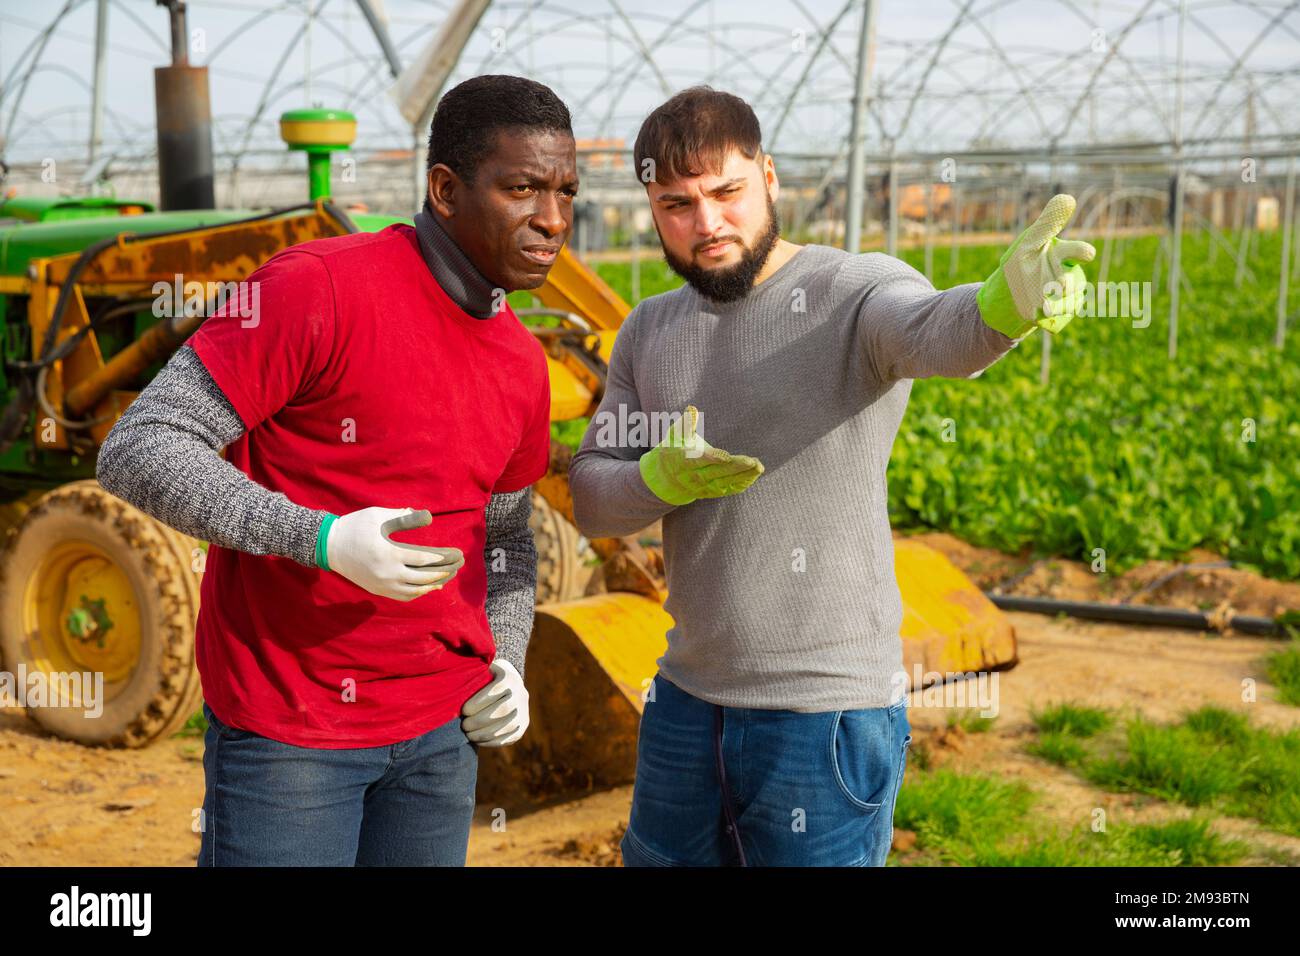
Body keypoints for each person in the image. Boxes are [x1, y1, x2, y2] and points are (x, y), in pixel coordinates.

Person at [568, 86, 1094, 867]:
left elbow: (935, 331)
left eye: (726, 192)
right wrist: (659, 480)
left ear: (769, 177)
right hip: (684, 703)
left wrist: (1001, 308)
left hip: (824, 713)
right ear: (651, 206)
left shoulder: (852, 292)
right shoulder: (650, 330)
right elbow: (590, 494)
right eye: (676, 203)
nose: (706, 223)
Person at [96, 74, 579, 866]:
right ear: (446, 190)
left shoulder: (523, 364)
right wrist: (318, 538)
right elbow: (142, 444)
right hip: (293, 739)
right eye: (522, 188)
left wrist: (508, 655)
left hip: (439, 736)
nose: (553, 219)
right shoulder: (316, 288)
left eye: (565, 190)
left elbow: (506, 538)